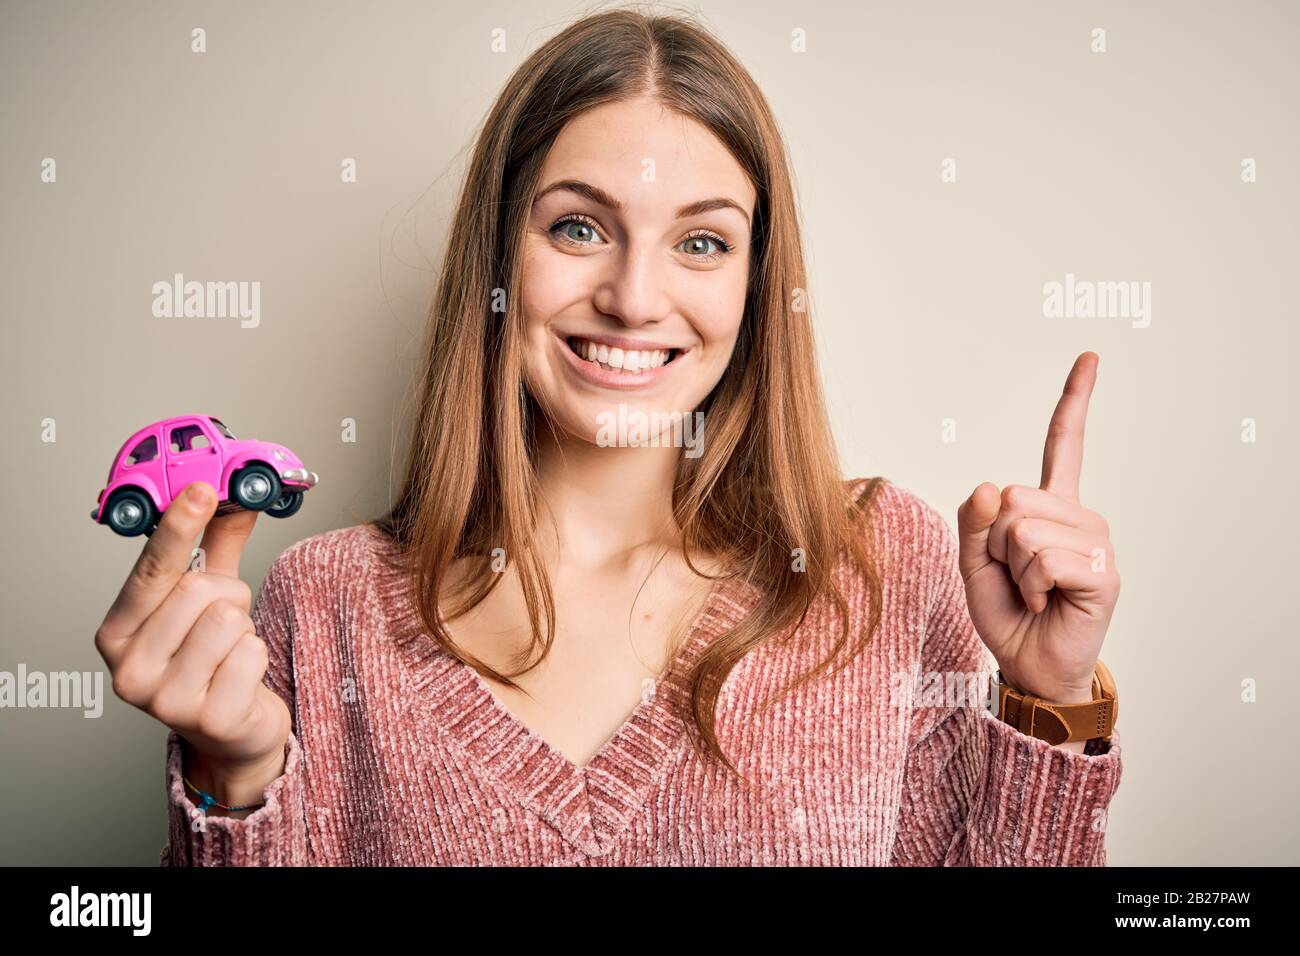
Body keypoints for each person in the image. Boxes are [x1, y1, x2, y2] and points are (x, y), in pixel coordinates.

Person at [94, 8, 1122, 866]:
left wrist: (1050, 700)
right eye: (578, 226)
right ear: (501, 257)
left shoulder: (881, 565)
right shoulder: (323, 606)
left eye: (702, 241)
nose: (634, 297)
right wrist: (236, 789)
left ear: (757, 286)